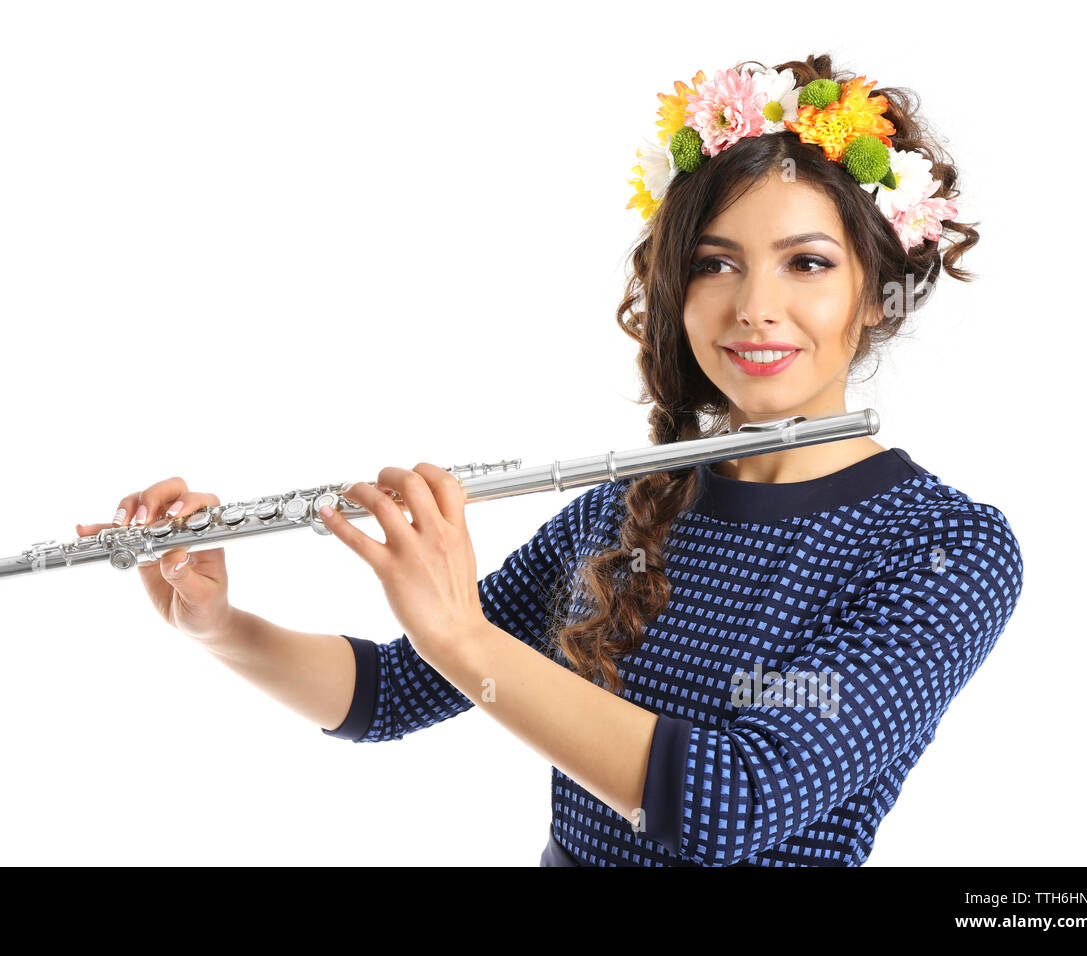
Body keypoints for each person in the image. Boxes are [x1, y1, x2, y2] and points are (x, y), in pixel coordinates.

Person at [75, 53, 1024, 866]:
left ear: (875, 294)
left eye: (806, 263)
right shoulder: (634, 506)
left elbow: (727, 805)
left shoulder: (945, 547)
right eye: (713, 261)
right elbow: (395, 693)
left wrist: (462, 636)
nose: (753, 307)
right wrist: (216, 625)